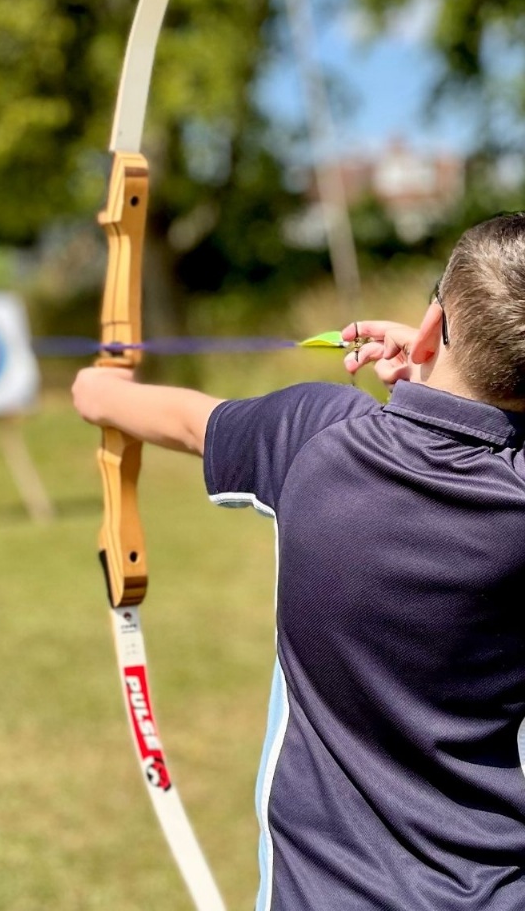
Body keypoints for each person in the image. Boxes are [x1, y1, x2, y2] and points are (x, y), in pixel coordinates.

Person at [71, 212, 525, 911]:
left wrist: (101, 392)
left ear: (433, 325)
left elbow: (195, 421)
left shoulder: (320, 436)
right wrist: (444, 371)